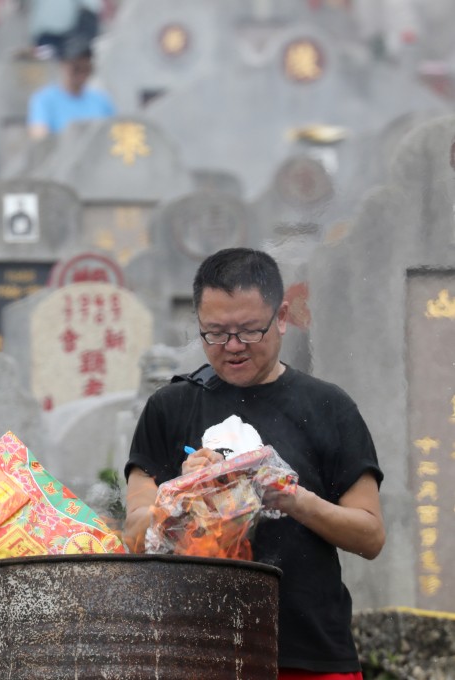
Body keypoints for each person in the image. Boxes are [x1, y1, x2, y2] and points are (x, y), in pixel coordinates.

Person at [123, 248, 386, 679]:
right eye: (215, 333)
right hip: (196, 652)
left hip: (309, 653)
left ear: (281, 316)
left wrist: (294, 498)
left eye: (248, 331)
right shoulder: (169, 407)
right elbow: (132, 533)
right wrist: (181, 496)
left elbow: (370, 536)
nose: (232, 348)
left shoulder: (328, 406)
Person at [27, 43, 115, 139]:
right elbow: (39, 137)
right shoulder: (44, 100)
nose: (82, 75)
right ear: (62, 65)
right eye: (76, 69)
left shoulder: (101, 100)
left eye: (86, 69)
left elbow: (114, 133)